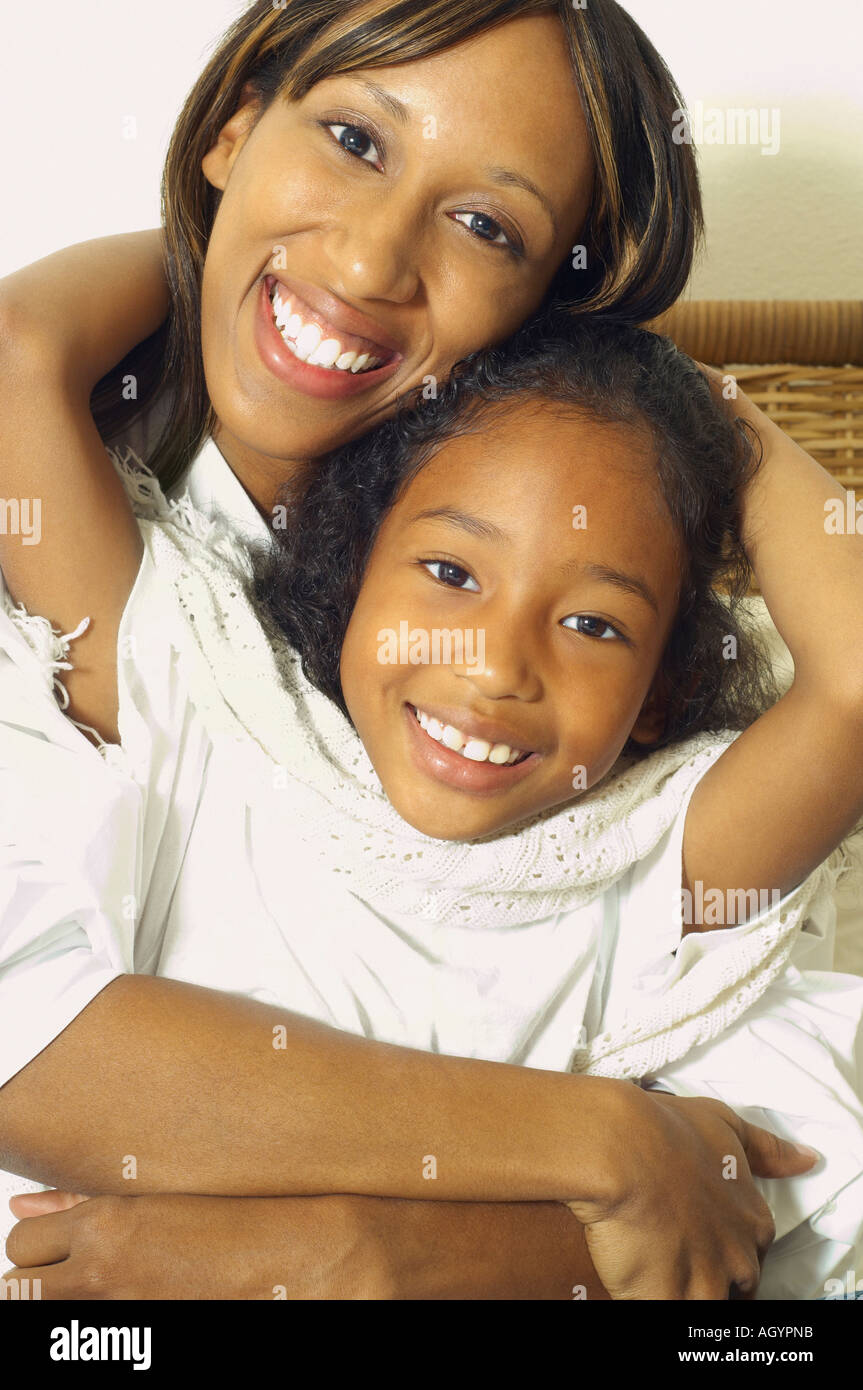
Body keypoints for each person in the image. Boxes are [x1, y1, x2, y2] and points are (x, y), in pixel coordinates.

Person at [0, 0, 857, 1299]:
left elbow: (792, 1166)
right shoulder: (160, 635)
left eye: (487, 225)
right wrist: (600, 1141)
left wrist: (671, 401)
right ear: (236, 120)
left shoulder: (639, 789)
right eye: (352, 137)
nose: (367, 256)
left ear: (540, 313)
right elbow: (34, 1043)